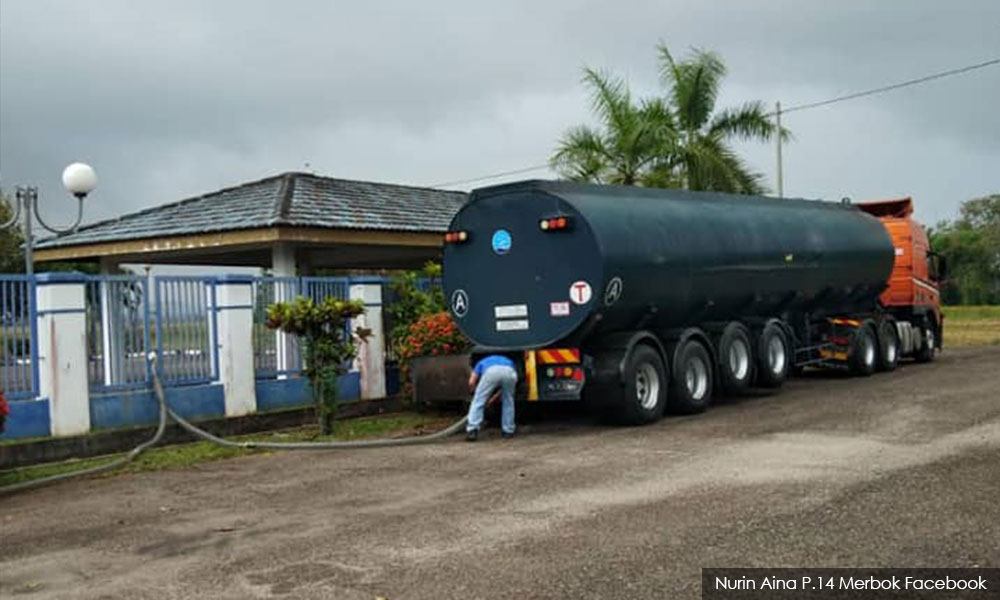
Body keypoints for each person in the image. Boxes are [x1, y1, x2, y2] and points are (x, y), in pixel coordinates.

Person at [466, 354, 518, 441]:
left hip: (491, 372)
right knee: (508, 401)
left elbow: (471, 382)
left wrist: (474, 391)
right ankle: (508, 431)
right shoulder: (507, 360)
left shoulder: (480, 363)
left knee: (478, 401)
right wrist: (492, 399)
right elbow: (502, 391)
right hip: (510, 372)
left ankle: (472, 430)